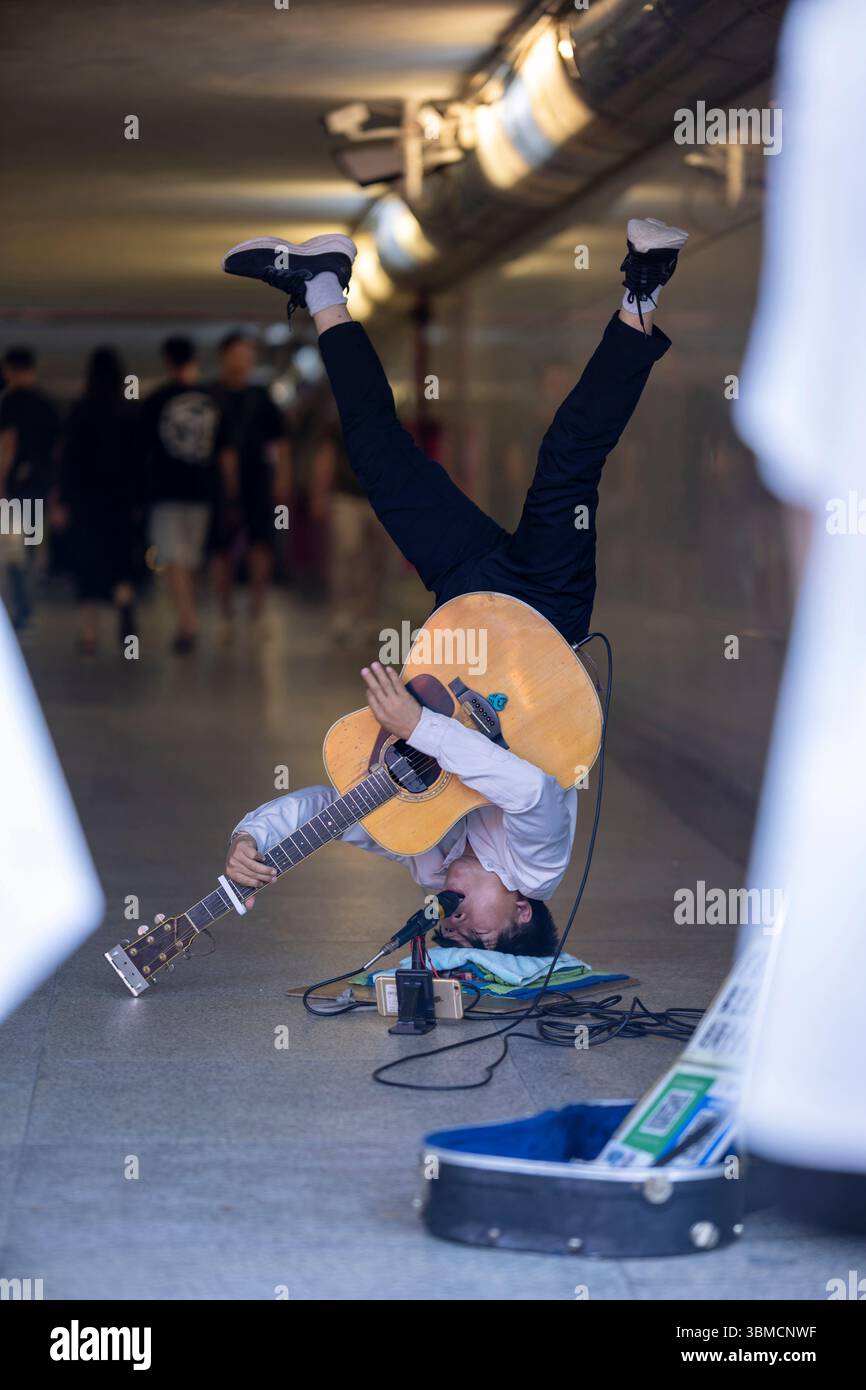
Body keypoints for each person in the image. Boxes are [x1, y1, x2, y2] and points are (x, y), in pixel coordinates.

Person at [221, 220, 687, 951]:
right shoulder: (537, 865)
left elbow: (333, 810)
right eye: (481, 934)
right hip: (544, 612)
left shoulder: (425, 854)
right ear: (523, 914)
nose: (457, 923)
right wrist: (418, 730)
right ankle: (643, 290)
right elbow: (528, 789)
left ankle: (321, 285)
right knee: (568, 460)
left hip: (465, 604)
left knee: (379, 462)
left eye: (453, 936)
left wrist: (253, 837)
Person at [142, 336, 236, 654]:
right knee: (191, 559)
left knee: (174, 557)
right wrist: (231, 491)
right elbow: (225, 453)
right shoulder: (214, 400)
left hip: (167, 490)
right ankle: (188, 617)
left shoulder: (156, 400)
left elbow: (144, 450)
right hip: (204, 491)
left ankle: (188, 623)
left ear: (168, 362)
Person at [55, 347, 144, 654]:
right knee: (120, 561)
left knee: (86, 566)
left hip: (85, 502)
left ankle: (89, 633)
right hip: (119, 501)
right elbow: (138, 461)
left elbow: (67, 461)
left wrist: (63, 501)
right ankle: (125, 608)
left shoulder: (80, 411)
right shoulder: (128, 412)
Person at [208, 331, 290, 639]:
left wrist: (283, 478)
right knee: (221, 548)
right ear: (225, 356)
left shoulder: (262, 395)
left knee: (261, 543)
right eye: (240, 353)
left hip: (257, 478)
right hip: (218, 482)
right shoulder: (212, 394)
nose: (246, 360)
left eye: (249, 355)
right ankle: (225, 611)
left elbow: (281, 441)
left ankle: (257, 609)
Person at [0, 346, 61, 631]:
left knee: (14, 552)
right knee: (31, 547)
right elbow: (58, 450)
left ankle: (24, 611)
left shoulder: (10, 402)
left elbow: (7, 446)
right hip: (41, 485)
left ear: (10, 370)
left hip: (15, 487)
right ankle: (29, 606)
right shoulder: (47, 404)